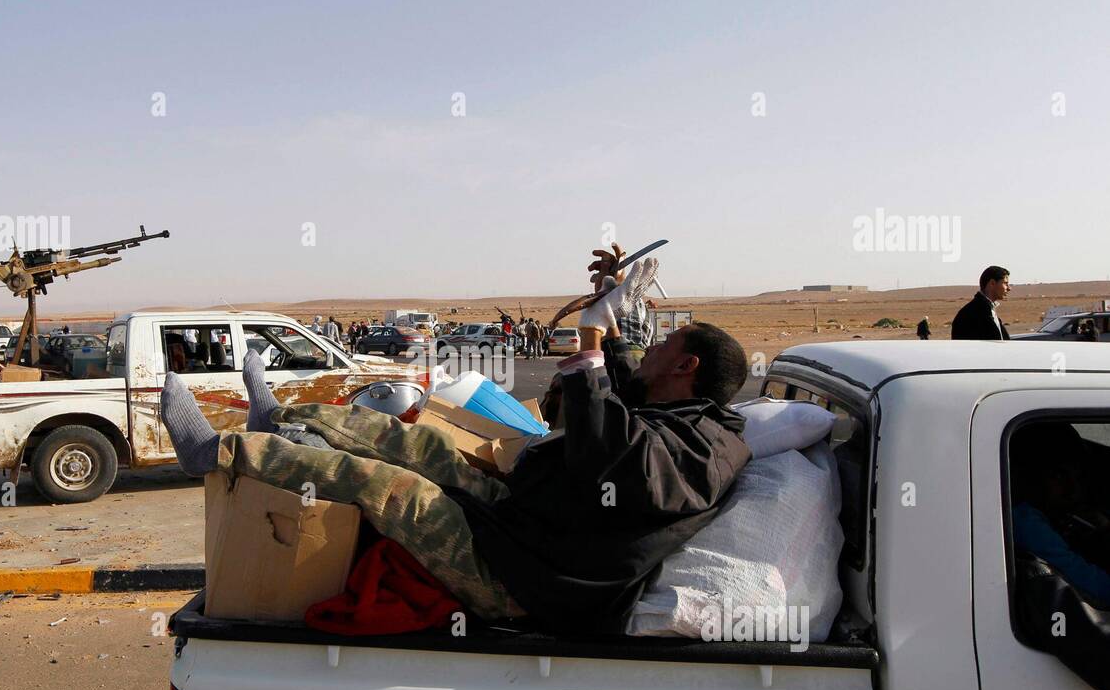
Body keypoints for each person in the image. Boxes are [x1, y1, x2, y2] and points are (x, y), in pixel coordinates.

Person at [159, 271, 751, 635]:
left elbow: (616, 459)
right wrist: (611, 326)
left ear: (686, 365)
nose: (646, 352)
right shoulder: (683, 414)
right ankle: (280, 421)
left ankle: (215, 451)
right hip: (524, 526)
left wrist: (591, 342)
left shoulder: (709, 453)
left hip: (527, 582)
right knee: (417, 441)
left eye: (660, 345)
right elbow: (625, 399)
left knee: (393, 488)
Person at [1011, 422, 1110, 604]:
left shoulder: (1043, 516)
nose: (1072, 487)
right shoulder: (1026, 523)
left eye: (1078, 477)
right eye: (1058, 476)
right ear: (1032, 475)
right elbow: (1088, 583)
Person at [951, 266, 1011, 340]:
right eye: (1005, 283)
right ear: (992, 283)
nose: (1009, 288)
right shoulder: (973, 313)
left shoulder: (986, 310)